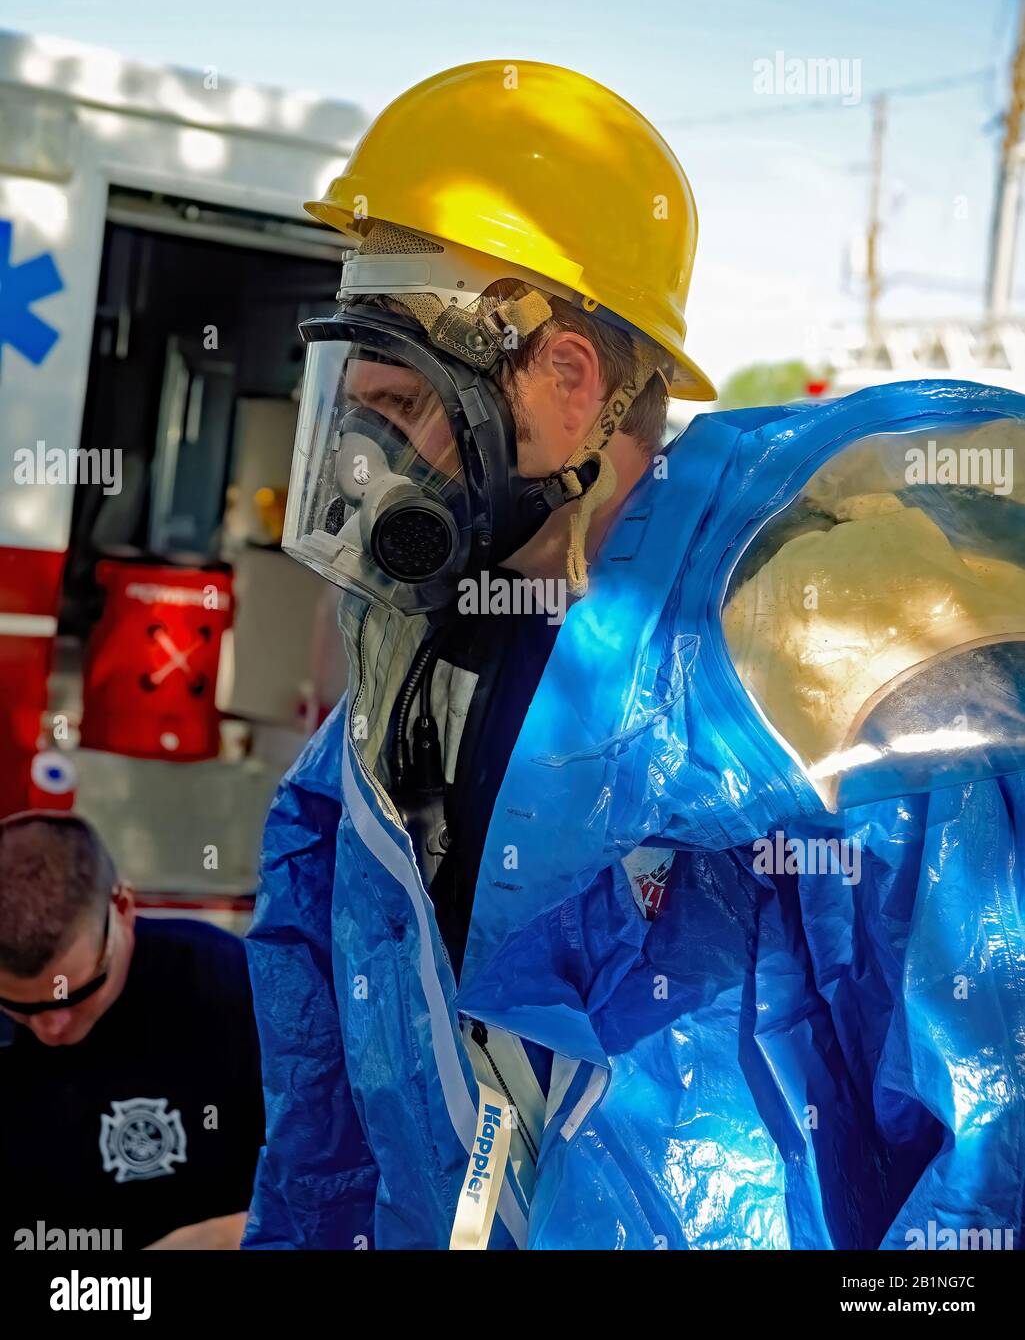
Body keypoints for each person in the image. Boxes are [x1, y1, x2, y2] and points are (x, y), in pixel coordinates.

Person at [244, 60, 1025, 1250]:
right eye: (355, 413)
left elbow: (988, 1153)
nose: (368, 463)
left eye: (402, 409)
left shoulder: (823, 680)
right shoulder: (405, 695)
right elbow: (326, 1134)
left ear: (565, 384)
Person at [0, 811, 264, 1251]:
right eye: (21, 1007)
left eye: (74, 995)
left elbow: (329, 1178)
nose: (51, 1027)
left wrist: (236, 1233)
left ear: (122, 907)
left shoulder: (234, 991)